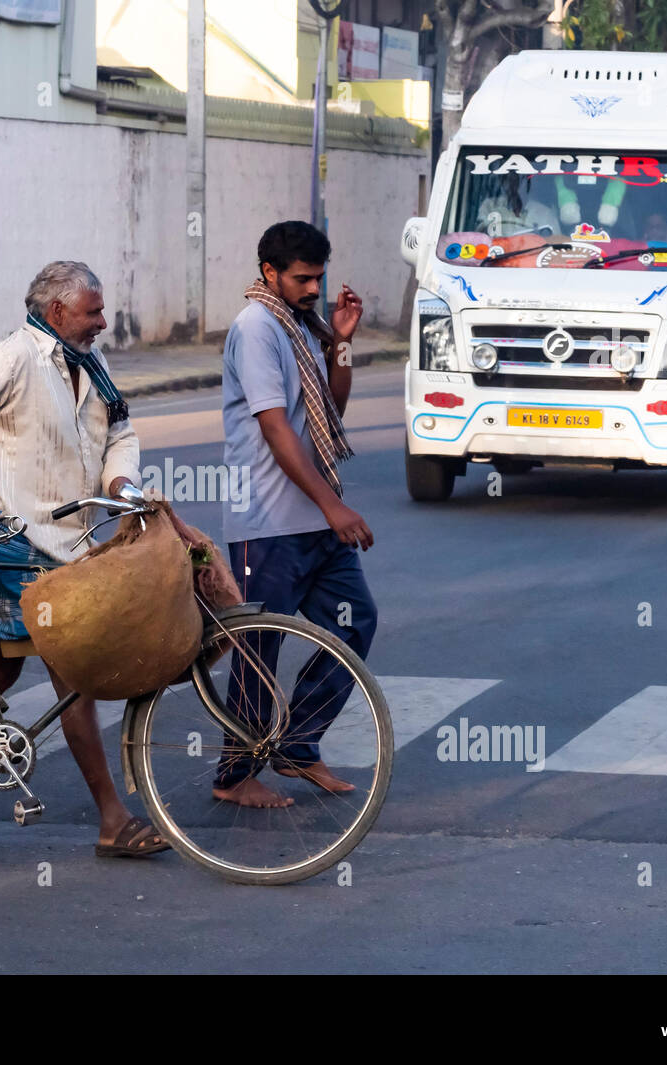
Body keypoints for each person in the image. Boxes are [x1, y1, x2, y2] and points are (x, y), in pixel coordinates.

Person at [0, 260, 168, 857]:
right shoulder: (11, 357)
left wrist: (121, 485)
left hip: (72, 544)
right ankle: (113, 820)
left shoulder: (91, 364)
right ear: (56, 311)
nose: (102, 321)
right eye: (92, 311)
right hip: (17, 542)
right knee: (73, 678)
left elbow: (121, 433)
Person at [215, 220, 378, 809]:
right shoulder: (257, 327)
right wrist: (333, 505)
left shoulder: (302, 326)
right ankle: (235, 775)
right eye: (302, 278)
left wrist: (342, 341)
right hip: (268, 520)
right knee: (259, 650)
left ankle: (297, 744)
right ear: (270, 273)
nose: (313, 288)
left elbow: (327, 413)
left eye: (317, 277)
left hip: (313, 518)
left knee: (355, 622)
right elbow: (277, 429)